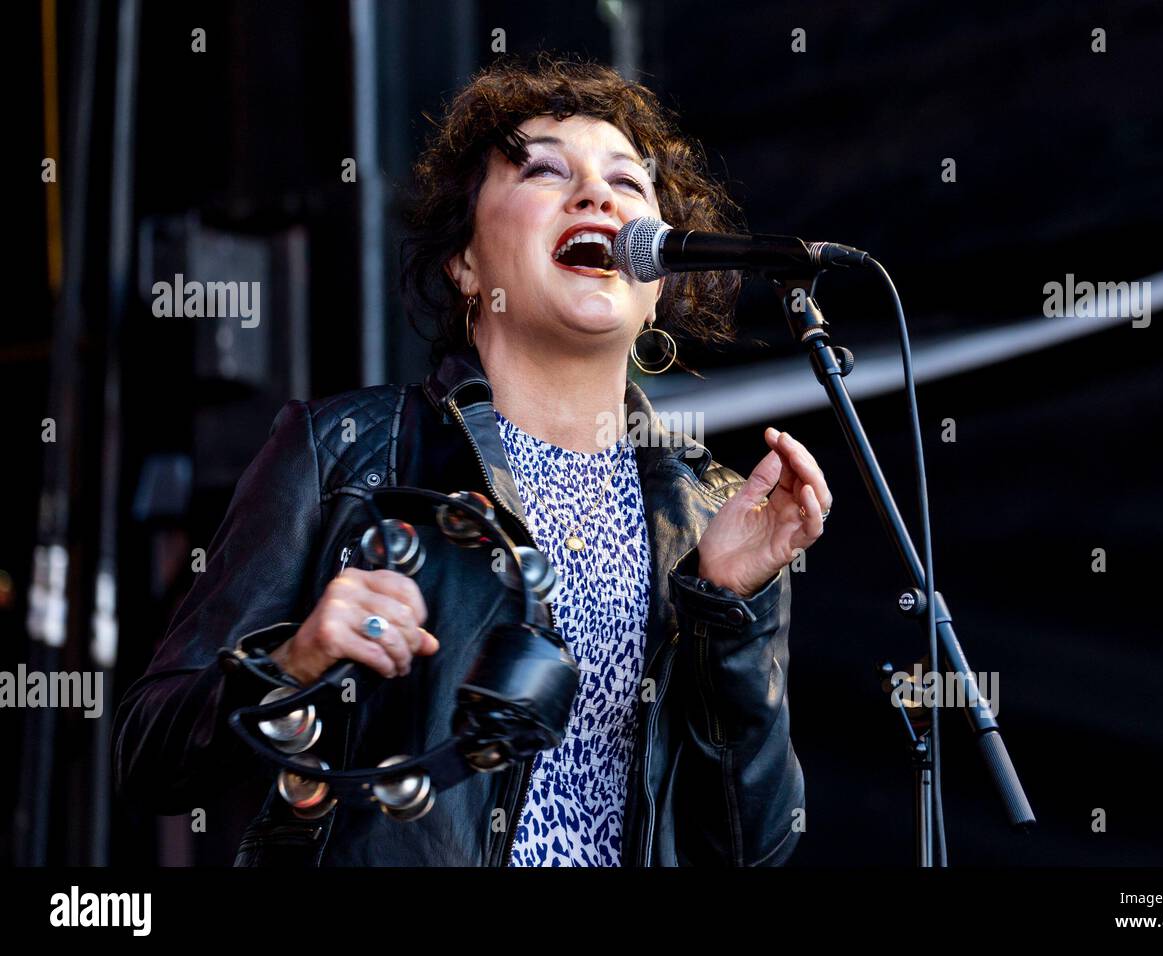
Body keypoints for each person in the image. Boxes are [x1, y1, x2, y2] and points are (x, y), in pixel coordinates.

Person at [113, 53, 831, 867]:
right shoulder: (346, 450)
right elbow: (151, 755)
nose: (598, 196)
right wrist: (292, 663)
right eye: (544, 172)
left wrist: (730, 611)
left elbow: (751, 847)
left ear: (657, 281)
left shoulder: (706, 512)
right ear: (465, 263)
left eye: (629, 185)